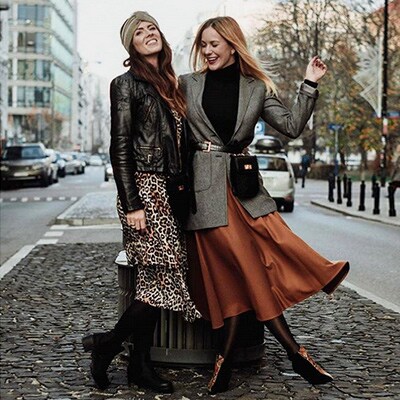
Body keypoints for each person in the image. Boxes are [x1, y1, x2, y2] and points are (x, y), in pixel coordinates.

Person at [179, 16, 350, 394]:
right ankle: (295, 351)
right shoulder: (187, 84)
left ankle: (224, 362)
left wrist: (309, 83)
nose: (207, 51)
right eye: (203, 44)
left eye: (214, 44)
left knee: (244, 274)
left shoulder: (256, 88)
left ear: (232, 45)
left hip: (244, 191)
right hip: (205, 193)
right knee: (244, 271)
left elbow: (291, 126)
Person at [81, 11, 200, 393]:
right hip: (144, 191)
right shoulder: (125, 84)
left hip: (170, 191)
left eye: (152, 28)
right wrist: (132, 203)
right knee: (164, 275)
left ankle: (137, 364)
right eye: (139, 32)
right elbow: (119, 147)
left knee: (152, 282)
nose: (149, 34)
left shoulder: (171, 84)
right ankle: (108, 345)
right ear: (130, 45)